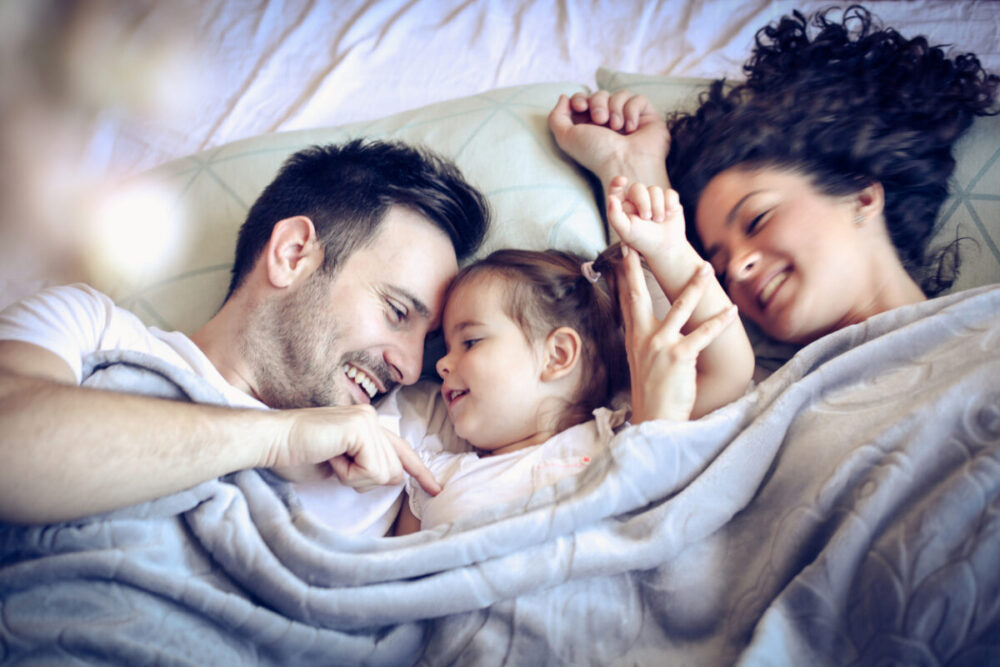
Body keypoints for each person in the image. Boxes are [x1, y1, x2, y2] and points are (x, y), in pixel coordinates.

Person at [0, 138, 490, 531]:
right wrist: (279, 440)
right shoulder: (88, 329)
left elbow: (560, 432)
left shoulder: (414, 433)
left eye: (428, 342)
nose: (409, 365)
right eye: (397, 310)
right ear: (293, 254)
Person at [548, 6, 998, 355]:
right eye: (720, 270)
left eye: (758, 219)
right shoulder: (760, 402)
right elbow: (678, 345)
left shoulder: (984, 336)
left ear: (861, 197)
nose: (738, 271)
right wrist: (631, 163)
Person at [395, 179, 753, 534]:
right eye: (444, 348)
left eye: (470, 342)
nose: (441, 364)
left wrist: (671, 252)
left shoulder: (625, 433)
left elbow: (729, 371)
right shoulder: (431, 478)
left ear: (558, 356)